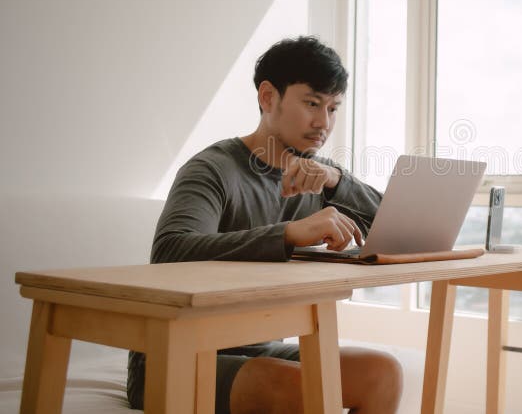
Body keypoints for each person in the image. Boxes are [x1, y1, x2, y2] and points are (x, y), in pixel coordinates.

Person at [127, 36, 403, 414]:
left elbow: (398, 226)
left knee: (382, 373)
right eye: (311, 103)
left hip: (260, 349)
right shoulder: (212, 169)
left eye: (333, 108)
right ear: (268, 97)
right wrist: (288, 234)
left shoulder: (318, 176)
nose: (323, 123)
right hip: (174, 357)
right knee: (282, 385)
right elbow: (172, 249)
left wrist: (336, 181)